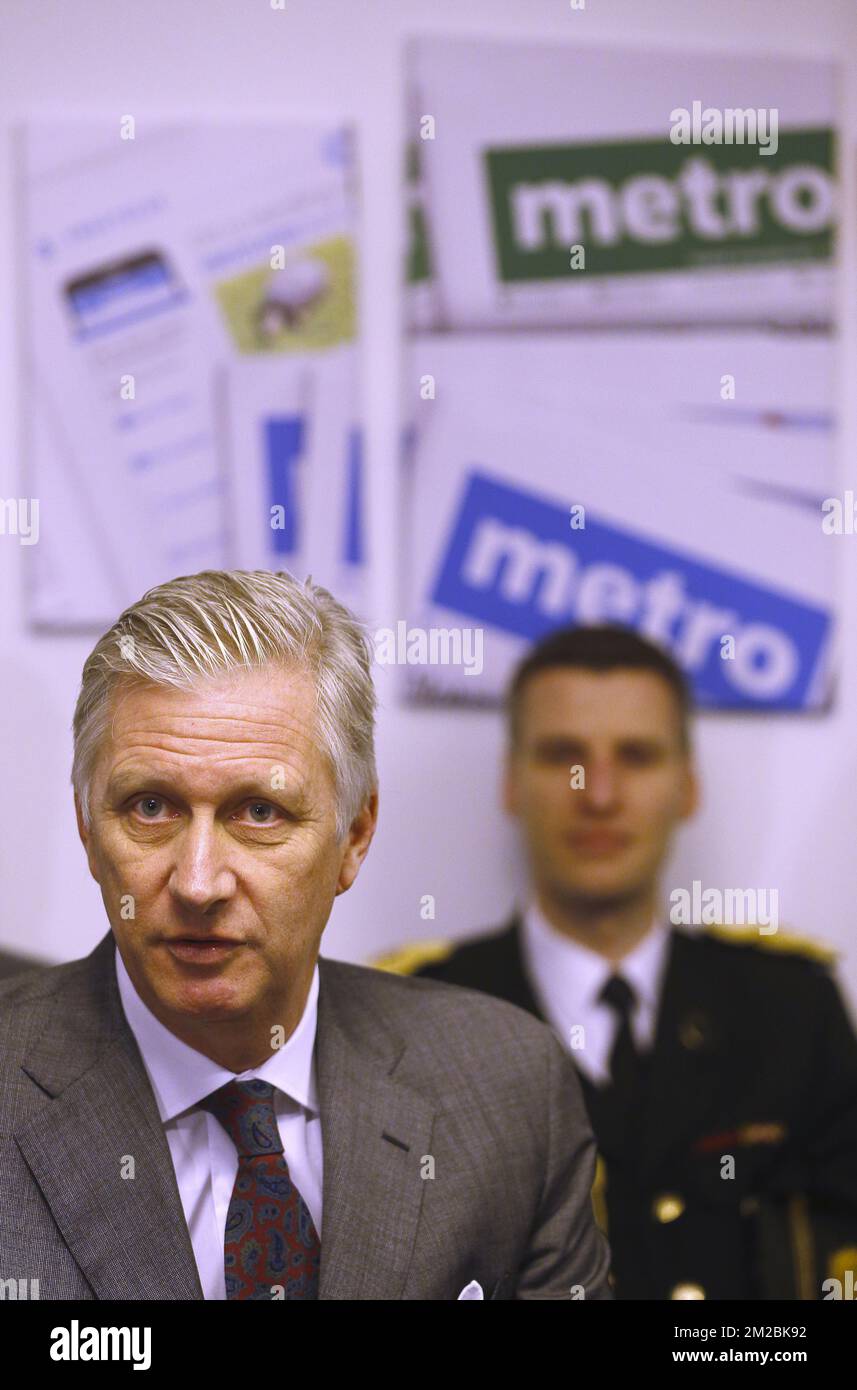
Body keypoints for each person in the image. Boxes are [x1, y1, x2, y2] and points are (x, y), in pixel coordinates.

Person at [0, 571, 611, 1301]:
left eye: (259, 812)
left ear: (355, 836)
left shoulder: (506, 1090)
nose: (198, 884)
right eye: (150, 806)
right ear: (86, 829)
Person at [377, 625, 857, 1301]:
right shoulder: (413, 1019)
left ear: (686, 787)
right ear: (511, 784)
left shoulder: (792, 1012)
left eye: (635, 756)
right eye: (561, 755)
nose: (597, 793)